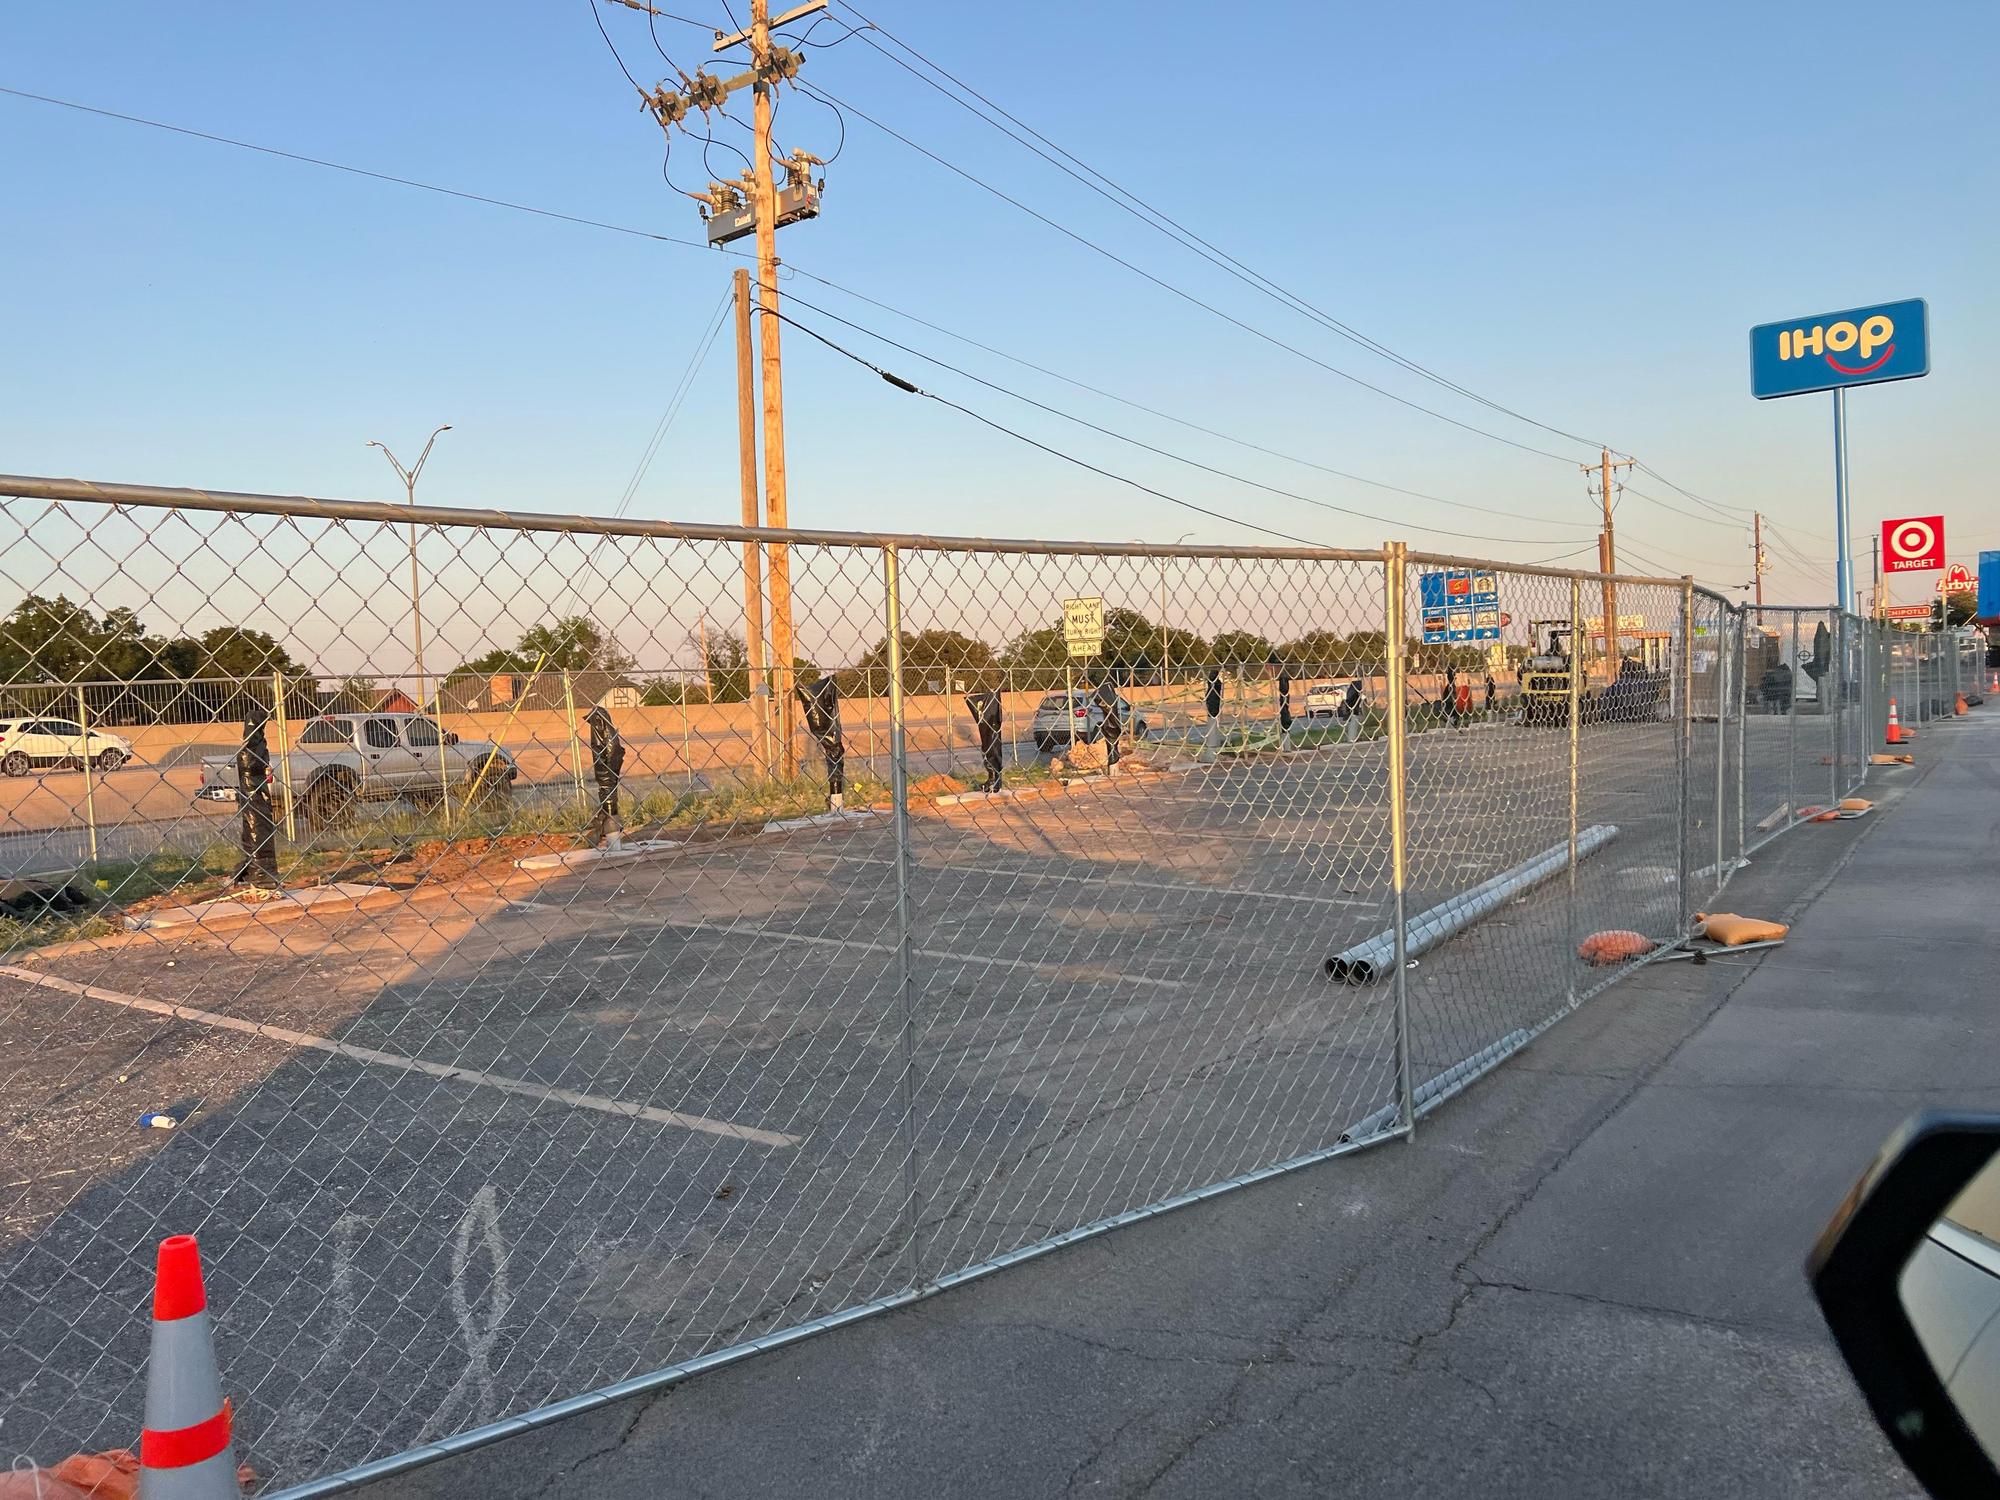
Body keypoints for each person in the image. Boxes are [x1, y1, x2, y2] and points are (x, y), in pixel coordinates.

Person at [583, 705, 625, 848]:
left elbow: (612, 750)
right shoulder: (602, 730)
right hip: (608, 778)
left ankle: (608, 829)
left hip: (607, 776)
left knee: (607, 790)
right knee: (607, 791)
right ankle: (606, 827)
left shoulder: (603, 729)